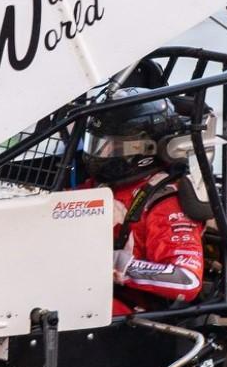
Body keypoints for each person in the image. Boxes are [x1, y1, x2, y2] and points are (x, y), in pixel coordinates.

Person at [79, 89, 208, 318]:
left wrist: (120, 265)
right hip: (82, 288)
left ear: (143, 150)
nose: (100, 154)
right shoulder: (97, 186)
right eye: (96, 145)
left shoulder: (164, 202)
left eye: (110, 147)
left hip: (127, 309)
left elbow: (187, 280)